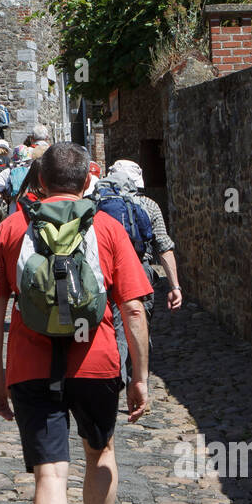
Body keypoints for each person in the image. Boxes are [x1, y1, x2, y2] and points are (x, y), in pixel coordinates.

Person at [0, 143, 151, 504]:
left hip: (31, 367)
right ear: (86, 180)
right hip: (94, 364)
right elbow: (133, 310)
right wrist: (139, 377)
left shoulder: (12, 228)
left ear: (40, 179)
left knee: (49, 476)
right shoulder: (108, 227)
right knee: (100, 451)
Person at [98, 159, 183, 376]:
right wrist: (175, 286)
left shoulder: (94, 203)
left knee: (111, 328)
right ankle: (138, 379)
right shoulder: (150, 205)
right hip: (139, 272)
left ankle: (113, 378)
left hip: (104, 274)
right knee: (138, 325)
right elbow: (163, 247)